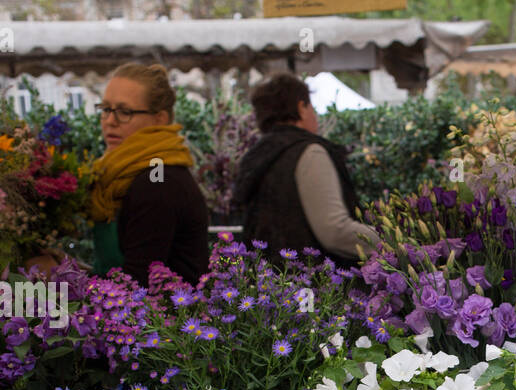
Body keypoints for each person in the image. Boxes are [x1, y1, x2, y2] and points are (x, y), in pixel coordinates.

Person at [232, 72, 380, 267]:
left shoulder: (256, 156)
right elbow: (335, 232)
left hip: (269, 279)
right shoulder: (309, 153)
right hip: (311, 278)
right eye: (311, 107)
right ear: (301, 107)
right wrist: (394, 240)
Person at [88, 63, 209, 286]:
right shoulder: (133, 171)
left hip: (164, 309)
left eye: (125, 112)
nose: (110, 121)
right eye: (105, 109)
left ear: (159, 119)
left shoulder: (158, 179)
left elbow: (137, 284)